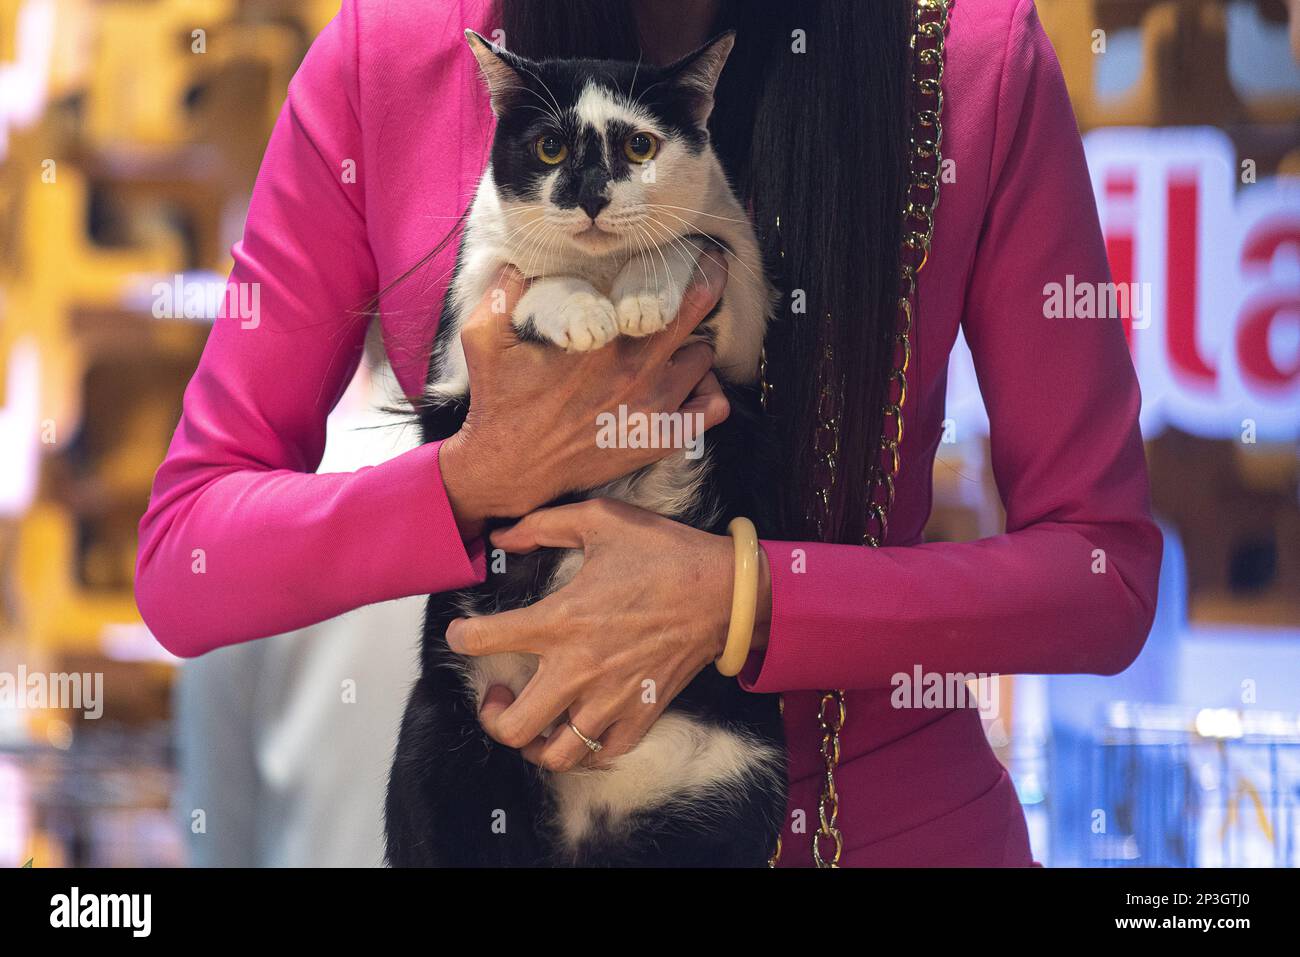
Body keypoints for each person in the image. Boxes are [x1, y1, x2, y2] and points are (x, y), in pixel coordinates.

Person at [136, 0, 1162, 867]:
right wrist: (471, 476)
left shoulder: (967, 56)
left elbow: (1101, 576)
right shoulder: (392, 52)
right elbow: (186, 559)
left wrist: (741, 598)